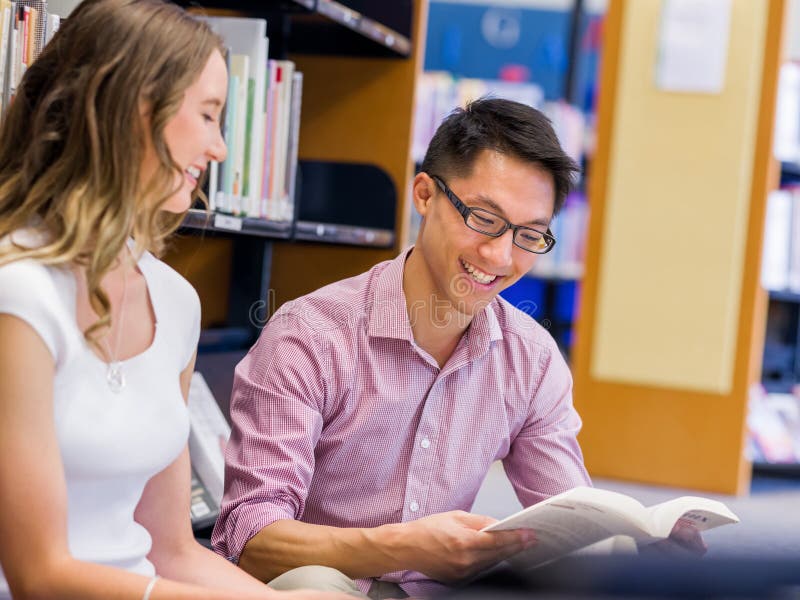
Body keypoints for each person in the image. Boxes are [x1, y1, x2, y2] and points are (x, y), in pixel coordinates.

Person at [0, 1, 351, 599]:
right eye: (209, 115)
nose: (219, 148)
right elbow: (40, 575)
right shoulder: (20, 290)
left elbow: (171, 550)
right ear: (132, 108)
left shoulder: (176, 303)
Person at [210, 98, 580, 599]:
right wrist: (402, 547)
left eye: (529, 235)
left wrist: (647, 549)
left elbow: (574, 522)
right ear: (424, 194)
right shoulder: (310, 335)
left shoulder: (531, 360)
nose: (500, 255)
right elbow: (251, 539)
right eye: (483, 219)